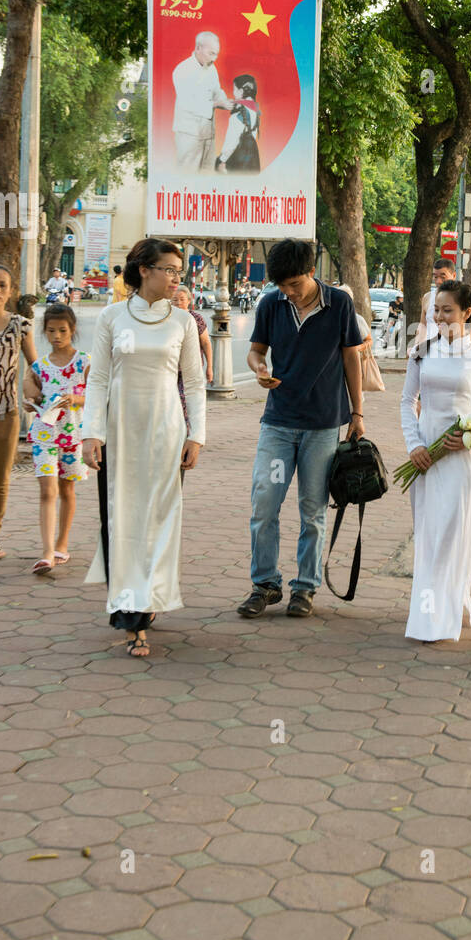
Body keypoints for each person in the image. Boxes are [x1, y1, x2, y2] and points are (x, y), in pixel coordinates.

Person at [81, 239, 206, 659]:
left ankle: (149, 597)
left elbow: (194, 383)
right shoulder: (112, 317)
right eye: (169, 269)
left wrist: (196, 435)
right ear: (144, 270)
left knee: (161, 518)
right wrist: (91, 432)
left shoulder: (183, 322)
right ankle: (131, 609)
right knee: (123, 517)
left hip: (167, 432)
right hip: (119, 433)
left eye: (178, 271)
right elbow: (98, 379)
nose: (176, 278)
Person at [238, 239, 365, 621]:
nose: (288, 293)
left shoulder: (339, 304)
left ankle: (305, 587)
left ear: (312, 272)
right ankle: (265, 583)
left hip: (323, 426)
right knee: (265, 501)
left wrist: (357, 414)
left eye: (294, 284)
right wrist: (259, 367)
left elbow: (351, 358)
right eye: (282, 286)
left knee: (312, 509)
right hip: (278, 423)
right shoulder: (271, 304)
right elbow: (256, 350)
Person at [401, 280, 471, 643]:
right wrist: (414, 444)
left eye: (447, 310)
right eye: (436, 310)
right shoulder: (421, 353)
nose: (440, 317)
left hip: (461, 459)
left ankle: (443, 610)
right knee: (428, 532)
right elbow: (407, 402)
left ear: (467, 313)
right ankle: (431, 607)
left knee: (452, 533)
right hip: (423, 457)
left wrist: (469, 438)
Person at [23, 304, 89, 574]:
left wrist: (76, 398)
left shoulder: (84, 362)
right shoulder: (38, 366)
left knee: (67, 490)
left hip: (74, 436)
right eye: (51, 331)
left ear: (72, 330)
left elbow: (99, 396)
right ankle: (47, 552)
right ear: (44, 332)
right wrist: (30, 402)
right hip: (44, 435)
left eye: (62, 330)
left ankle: (62, 544)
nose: (57, 335)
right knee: (47, 491)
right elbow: (32, 394)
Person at [0, 263, 37, 560]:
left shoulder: (20, 325)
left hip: (5, 413)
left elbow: (36, 368)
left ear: (11, 292)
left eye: (2, 285)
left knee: (0, 477)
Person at [172, 31, 233, 171]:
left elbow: (217, 91)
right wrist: (217, 104)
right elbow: (188, 103)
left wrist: (227, 102)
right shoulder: (183, 70)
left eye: (216, 54)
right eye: (211, 53)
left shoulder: (211, 68)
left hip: (208, 132)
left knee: (207, 173)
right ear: (198, 48)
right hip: (189, 133)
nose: (215, 58)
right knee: (188, 174)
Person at [171, 286, 214, 410]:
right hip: (170, 368)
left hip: (191, 370)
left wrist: (209, 368)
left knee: (188, 403)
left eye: (182, 299)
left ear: (189, 301)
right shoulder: (166, 319)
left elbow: (206, 343)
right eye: (175, 300)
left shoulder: (196, 319)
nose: (178, 303)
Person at [215, 74, 261, 173]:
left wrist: (221, 160)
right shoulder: (255, 109)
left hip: (237, 161)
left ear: (240, 91)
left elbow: (231, 142)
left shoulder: (238, 114)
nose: (233, 92)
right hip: (252, 159)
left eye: (234, 89)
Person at [419, 258, 456, 344]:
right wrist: (418, 346)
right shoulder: (427, 297)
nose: (438, 281)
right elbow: (422, 325)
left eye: (443, 277)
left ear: (454, 276)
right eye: (435, 277)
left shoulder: (462, 297)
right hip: (430, 351)